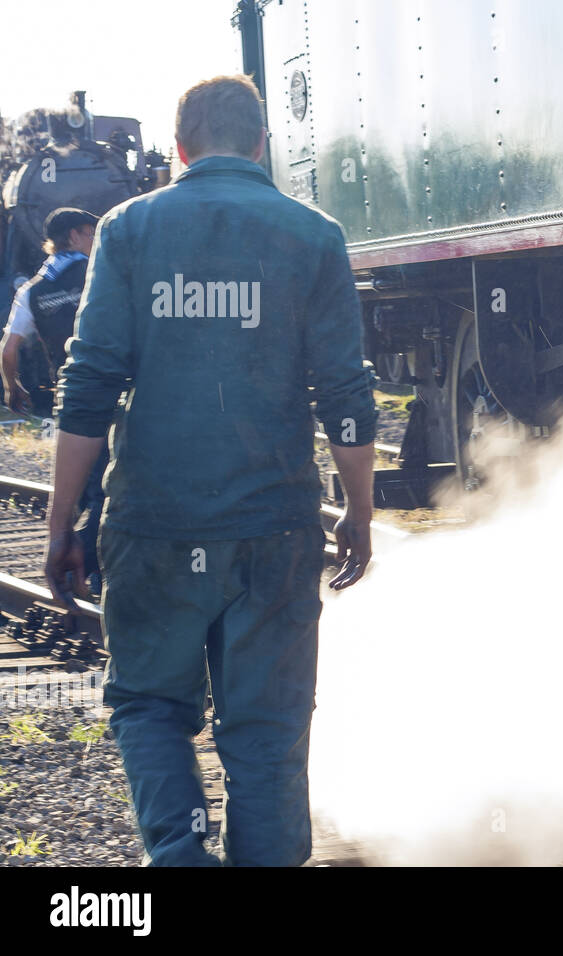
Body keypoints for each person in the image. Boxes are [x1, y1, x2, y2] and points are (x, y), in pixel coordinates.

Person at [44, 74, 378, 866]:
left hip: (154, 525)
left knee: (152, 707)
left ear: (180, 147)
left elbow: (88, 383)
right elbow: (347, 394)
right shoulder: (314, 235)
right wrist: (359, 512)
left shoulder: (128, 230)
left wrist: (62, 524)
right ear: (263, 144)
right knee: (266, 730)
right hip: (274, 525)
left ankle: (180, 853)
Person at [3, 208, 110, 585]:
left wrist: (12, 386)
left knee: (84, 481)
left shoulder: (32, 288)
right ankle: (86, 559)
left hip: (69, 395)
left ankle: (86, 555)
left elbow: (9, 348)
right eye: (92, 231)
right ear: (77, 234)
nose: (96, 237)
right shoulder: (100, 272)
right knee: (105, 483)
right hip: (112, 391)